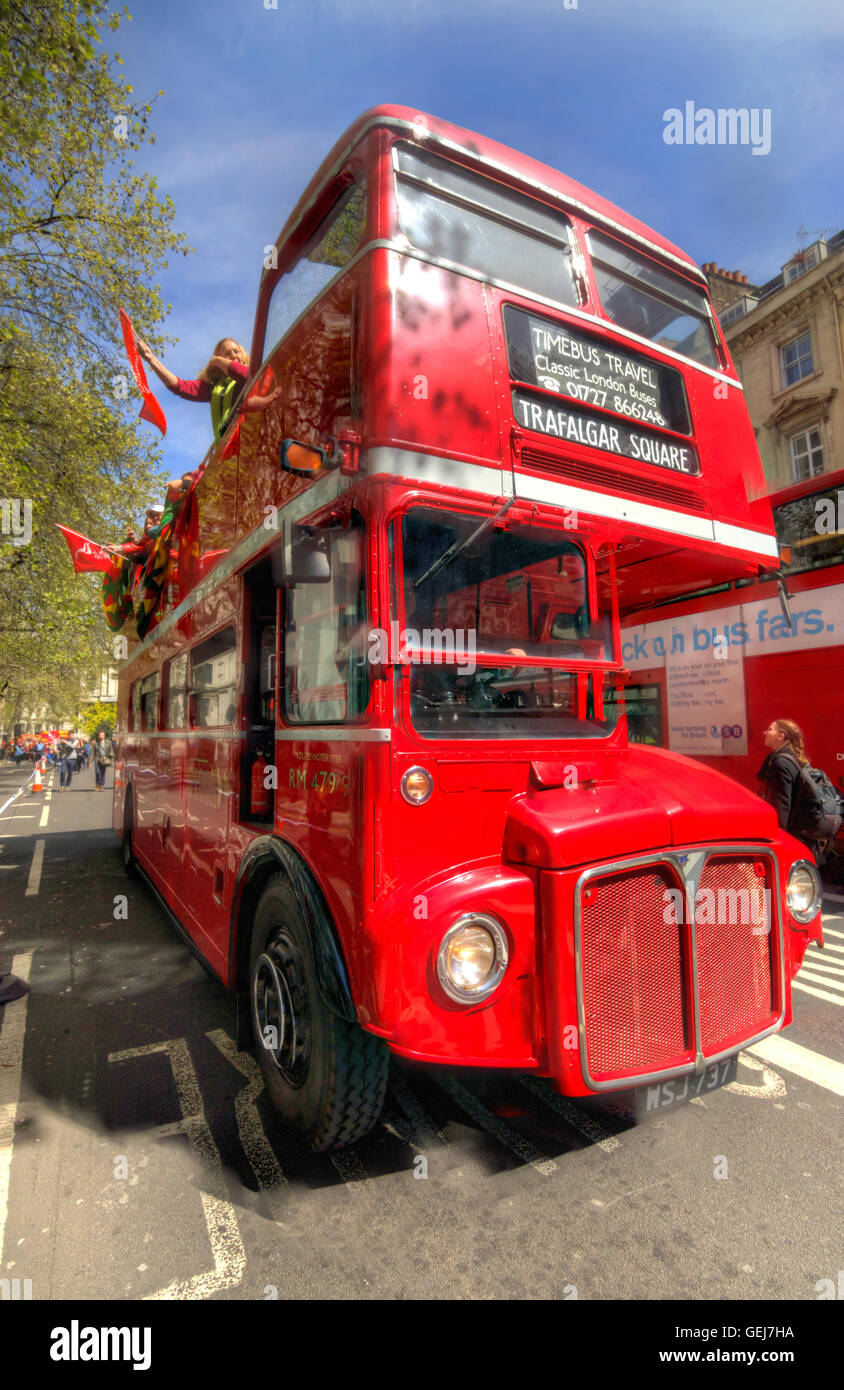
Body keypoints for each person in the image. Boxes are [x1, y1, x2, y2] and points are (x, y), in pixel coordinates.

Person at [136, 337, 280, 441]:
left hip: (255, 439)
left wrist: (217, 360)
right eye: (227, 353)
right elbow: (179, 387)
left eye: (236, 351)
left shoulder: (252, 370)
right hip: (227, 450)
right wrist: (151, 359)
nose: (233, 356)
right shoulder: (213, 387)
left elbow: (244, 375)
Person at [758, 719, 825, 863]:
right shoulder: (797, 758)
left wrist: (778, 838)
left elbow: (781, 804)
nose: (765, 732)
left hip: (794, 837)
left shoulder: (780, 763)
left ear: (781, 736)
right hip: (805, 835)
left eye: (770, 729)